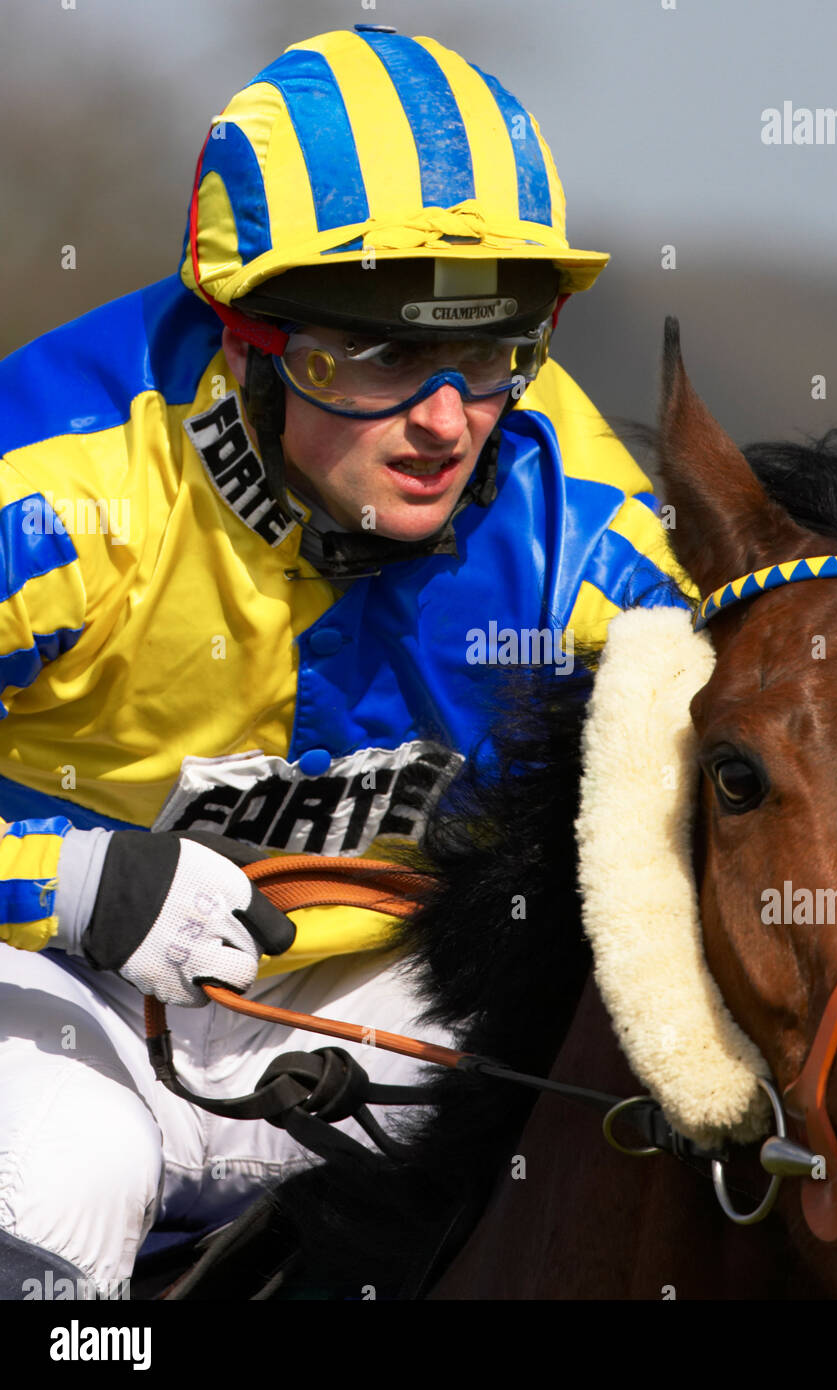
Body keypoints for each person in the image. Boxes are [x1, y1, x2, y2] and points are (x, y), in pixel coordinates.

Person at [0, 25, 690, 1295]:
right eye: (375, 354)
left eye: (486, 350)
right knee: (69, 1164)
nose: (444, 422)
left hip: (366, 1007)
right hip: (49, 984)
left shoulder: (583, 529)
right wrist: (70, 880)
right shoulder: (51, 489)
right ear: (242, 340)